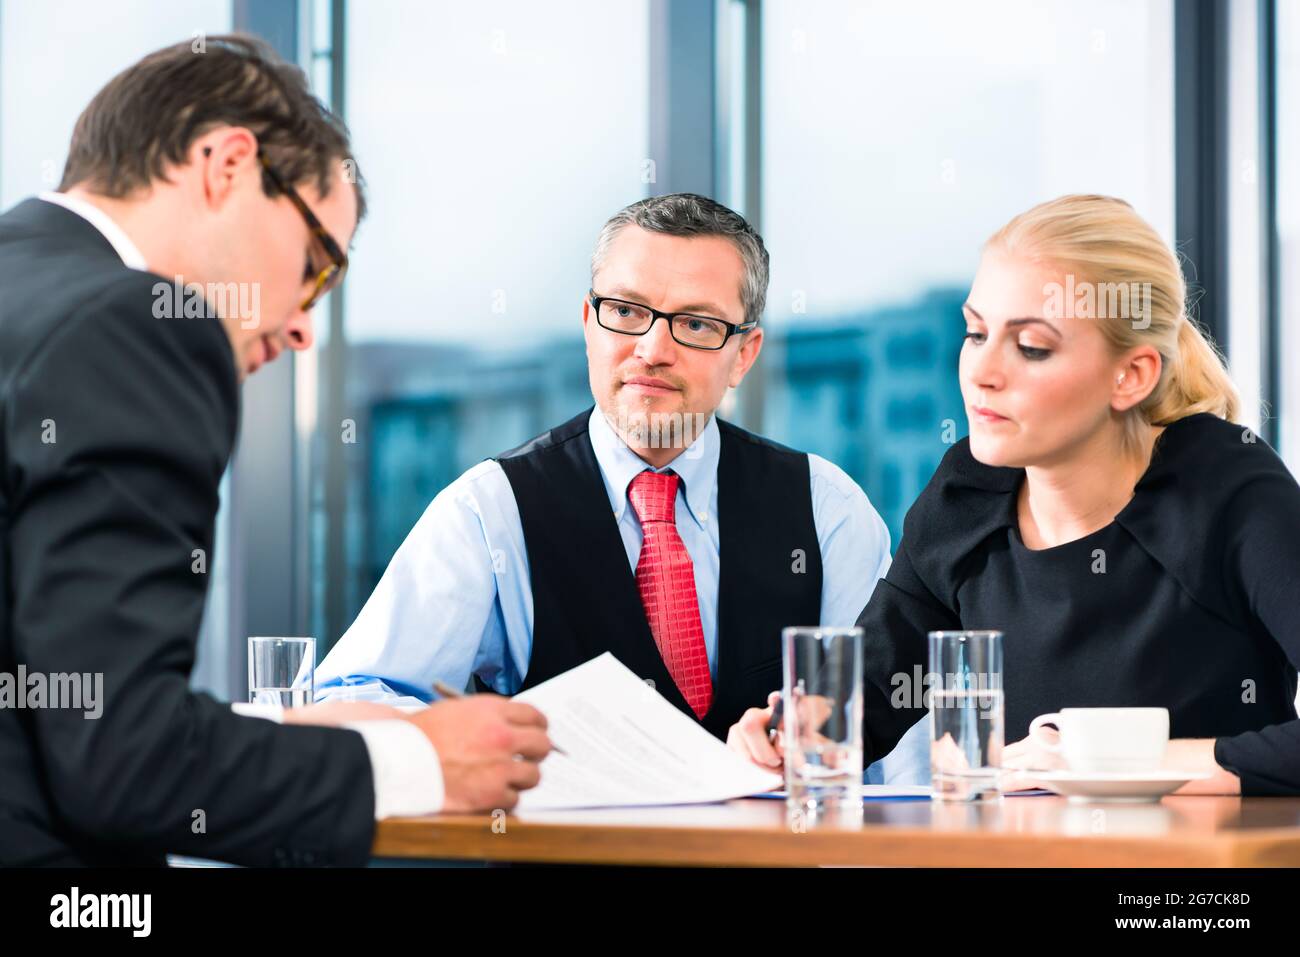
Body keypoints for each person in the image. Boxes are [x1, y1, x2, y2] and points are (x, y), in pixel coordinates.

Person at [0, 35, 550, 868]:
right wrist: (418, 762)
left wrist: (273, 733)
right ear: (226, 164)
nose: (301, 326)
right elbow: (126, 770)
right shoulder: (141, 326)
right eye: (316, 266)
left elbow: (64, 712)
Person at [314, 193, 925, 781]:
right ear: (589, 323)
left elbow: (897, 753)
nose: (652, 349)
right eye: (627, 312)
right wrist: (465, 740)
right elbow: (354, 697)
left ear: (743, 355)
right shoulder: (490, 510)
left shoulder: (826, 510)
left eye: (695, 322)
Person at [727, 194, 1300, 797]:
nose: (982, 371)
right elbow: (866, 700)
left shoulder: (1228, 486)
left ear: (1131, 376)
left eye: (1031, 347)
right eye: (976, 334)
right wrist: (791, 733)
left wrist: (1110, 765)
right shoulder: (969, 493)